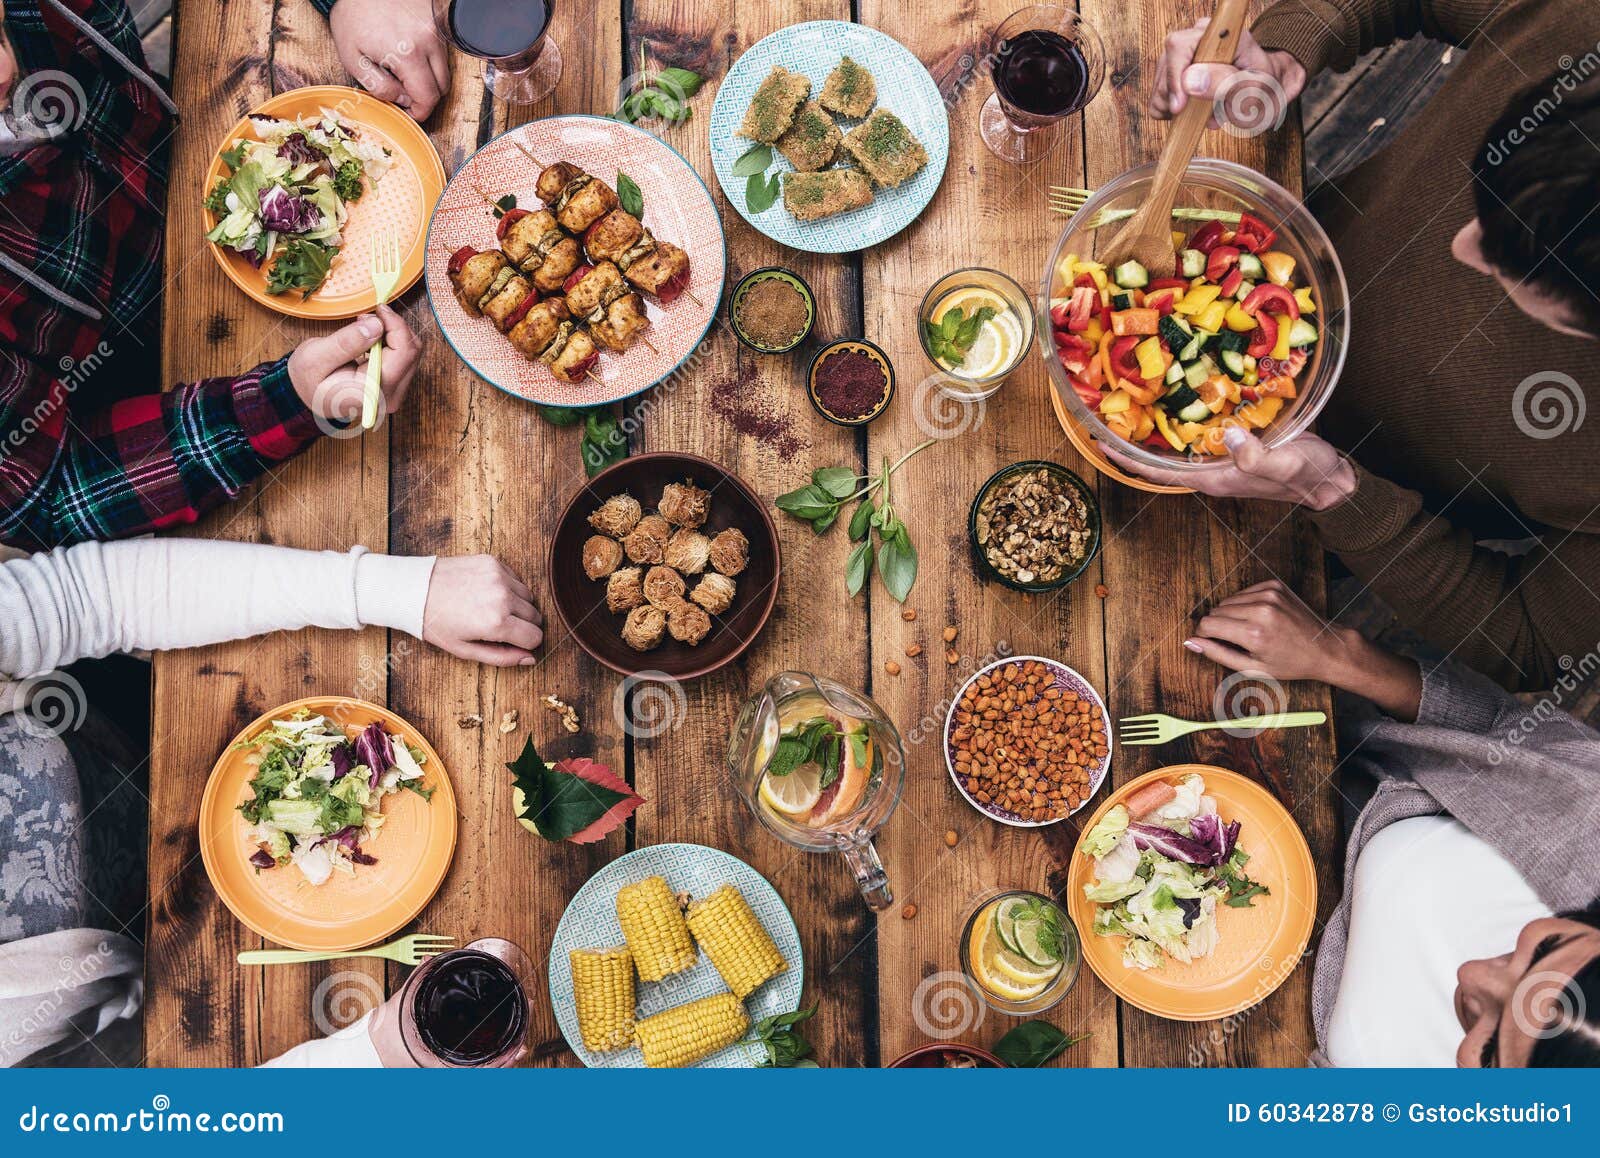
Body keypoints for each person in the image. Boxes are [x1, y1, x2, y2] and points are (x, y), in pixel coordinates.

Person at [1123, 0, 1600, 692]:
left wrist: (1335, 491)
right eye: (1483, 201)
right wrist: (1284, 50)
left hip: (1306, 522)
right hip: (1268, 256)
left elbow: (1528, 640)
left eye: (1508, 265)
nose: (1460, 243)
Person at [0, 537, 542, 1066]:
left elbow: (80, 599)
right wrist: (374, 1051)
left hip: (126, 760)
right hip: (117, 1033)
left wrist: (396, 590)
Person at [0, 0, 447, 550]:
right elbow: (43, 495)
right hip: (124, 395)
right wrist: (288, 399)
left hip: (167, 139)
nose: (7, 71)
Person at [1183, 579, 1600, 1066]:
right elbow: (1492, 729)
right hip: (1313, 765)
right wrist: (1338, 656)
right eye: (1546, 946)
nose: (1472, 975)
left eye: (1490, 1048)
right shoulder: (1588, 818)